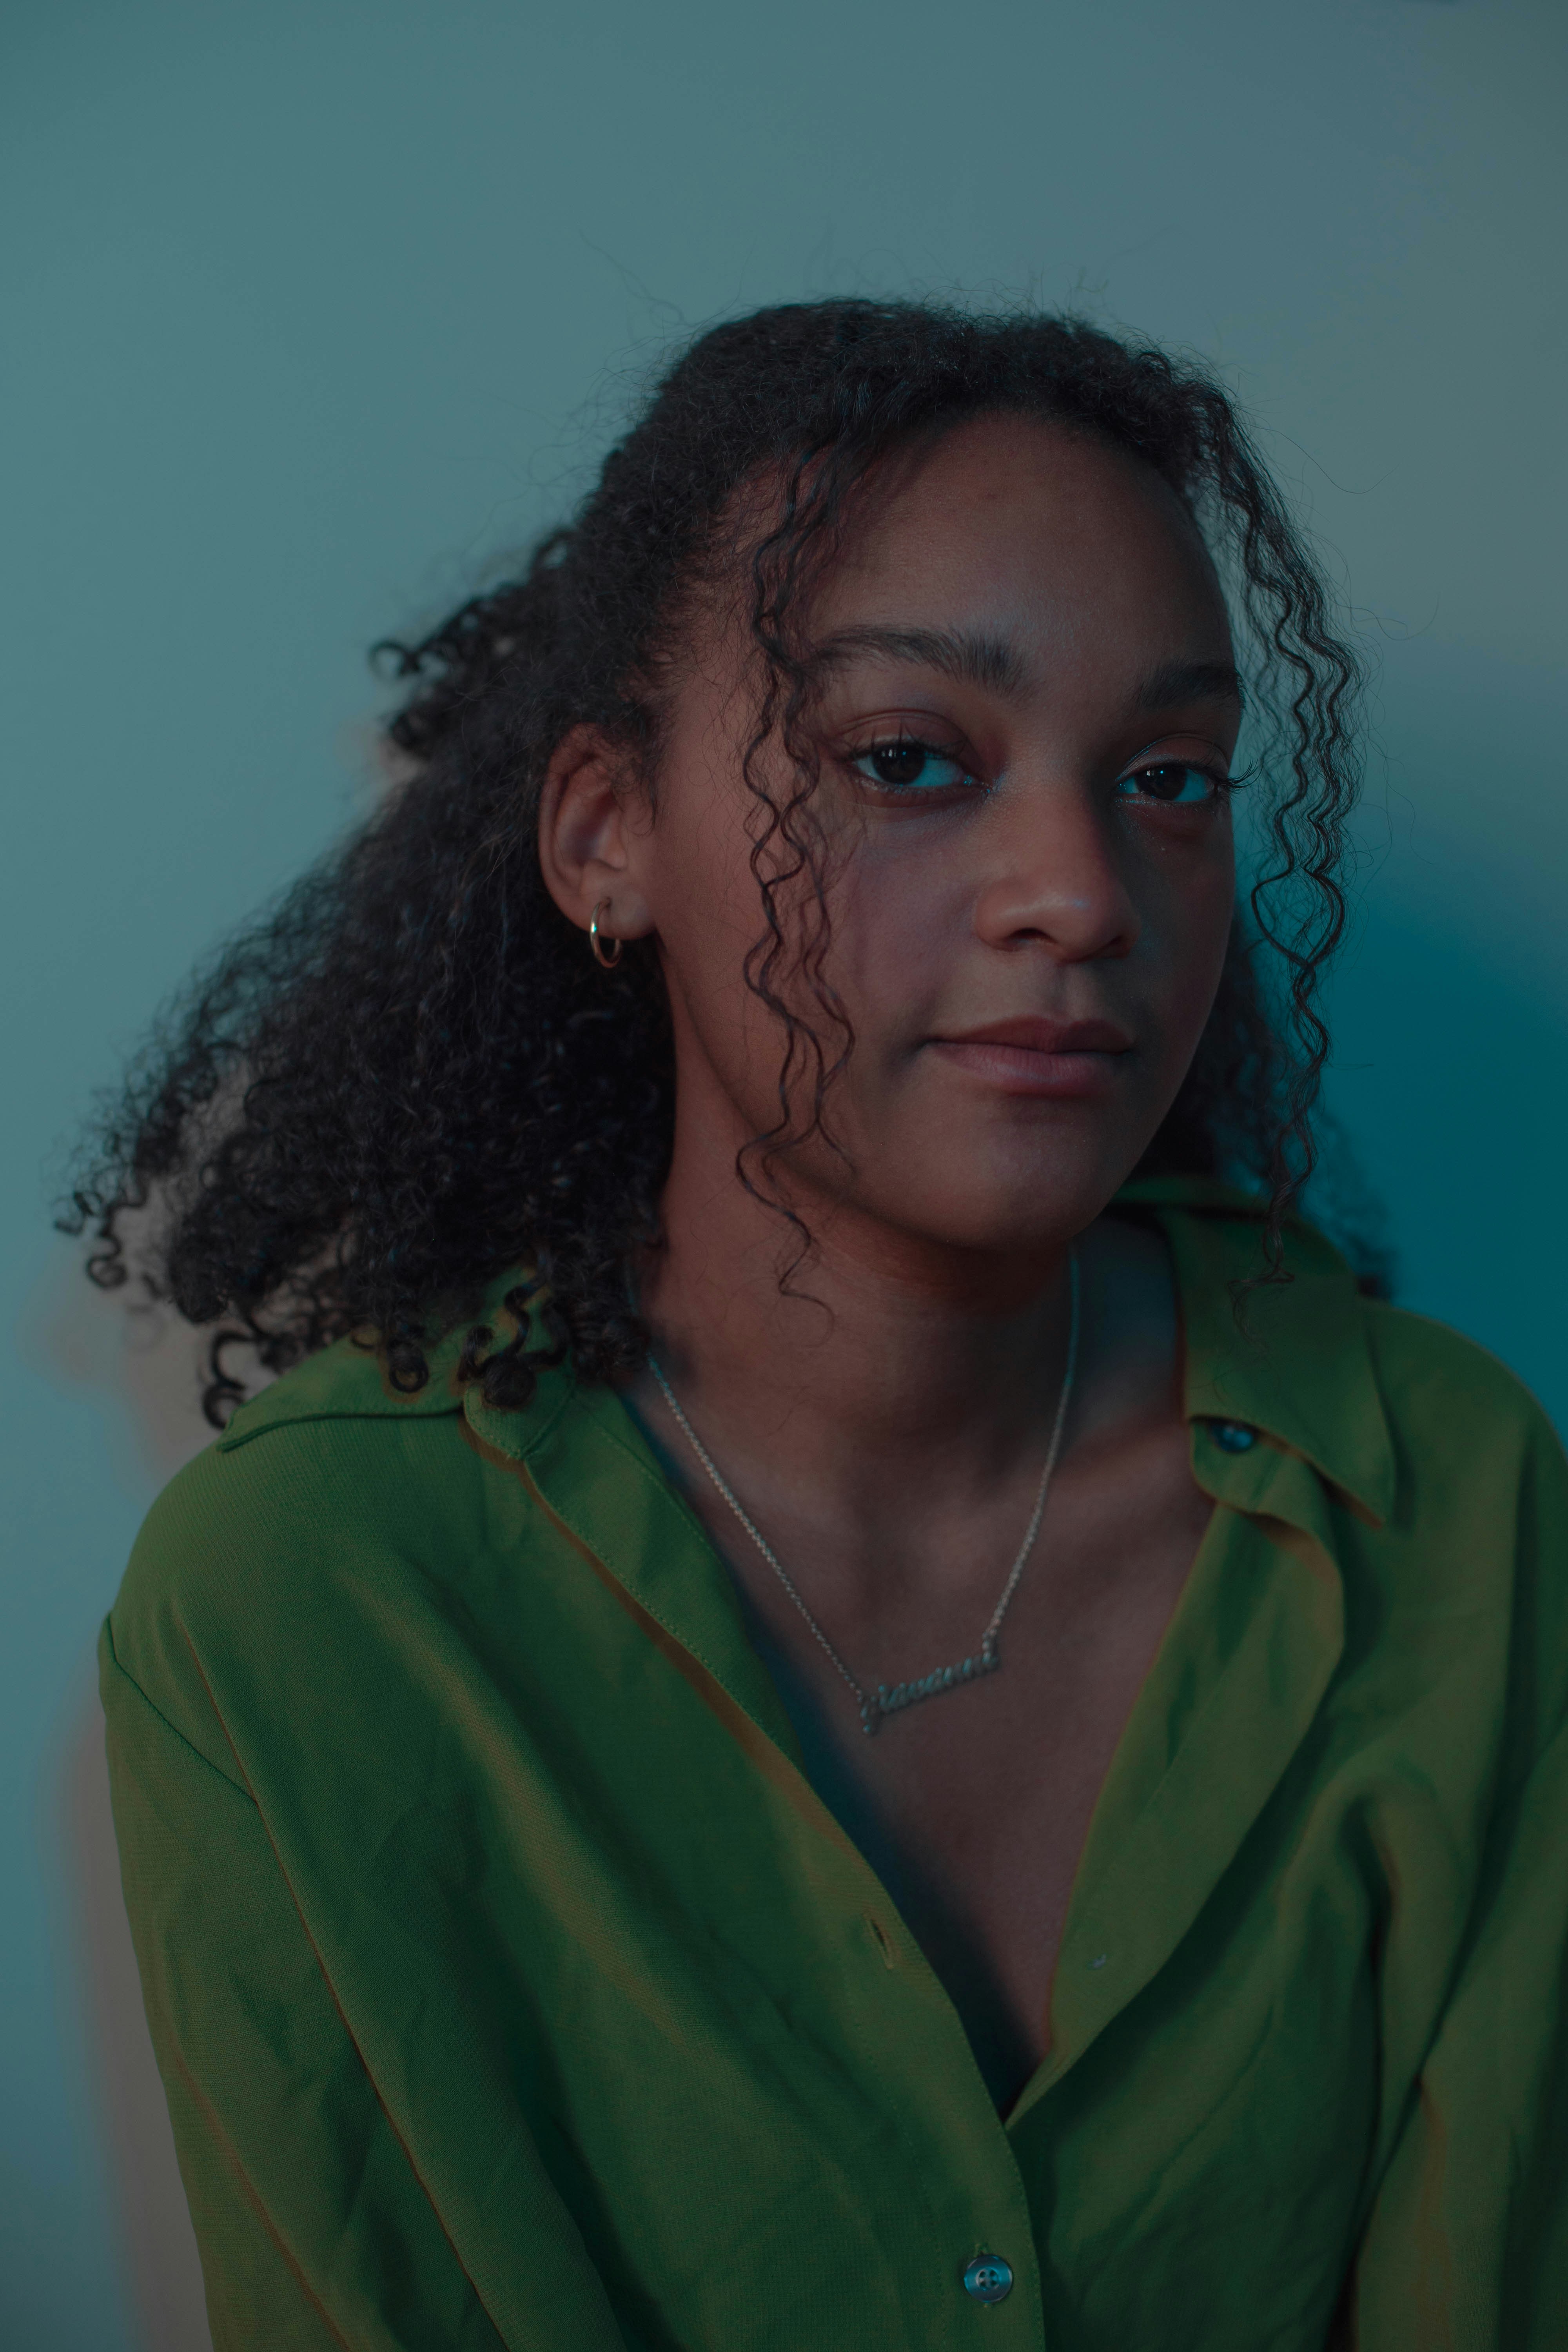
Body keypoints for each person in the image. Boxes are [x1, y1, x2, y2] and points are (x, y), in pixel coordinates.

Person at [72, 299, 1568, 2350]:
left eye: (1171, 774)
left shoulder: (1446, 1502)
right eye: (907, 760)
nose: (1079, 891)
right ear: (611, 838)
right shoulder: (317, 1603)